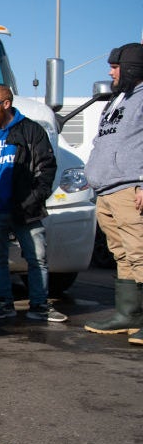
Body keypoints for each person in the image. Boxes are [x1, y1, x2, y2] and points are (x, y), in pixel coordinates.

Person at [0, 85, 66, 321]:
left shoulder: (31, 130)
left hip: (25, 209)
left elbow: (46, 168)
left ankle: (39, 306)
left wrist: (33, 199)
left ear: (6, 104)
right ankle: (3, 304)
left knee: (37, 258)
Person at [82, 43, 143, 343]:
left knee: (140, 253)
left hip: (131, 188)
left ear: (132, 67)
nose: (110, 72)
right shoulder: (120, 99)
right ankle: (128, 314)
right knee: (121, 253)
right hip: (107, 191)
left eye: (116, 66)